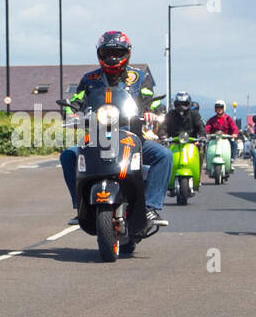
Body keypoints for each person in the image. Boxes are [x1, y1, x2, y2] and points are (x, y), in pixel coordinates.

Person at [58, 31, 172, 233]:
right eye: (108, 53)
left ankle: (151, 207)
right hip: (95, 137)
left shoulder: (139, 77)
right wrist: (71, 114)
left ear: (127, 53)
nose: (112, 58)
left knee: (164, 155)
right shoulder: (89, 79)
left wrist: (149, 112)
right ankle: (81, 206)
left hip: (132, 136)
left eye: (117, 53)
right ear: (100, 54)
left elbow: (147, 98)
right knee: (68, 156)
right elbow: (76, 101)